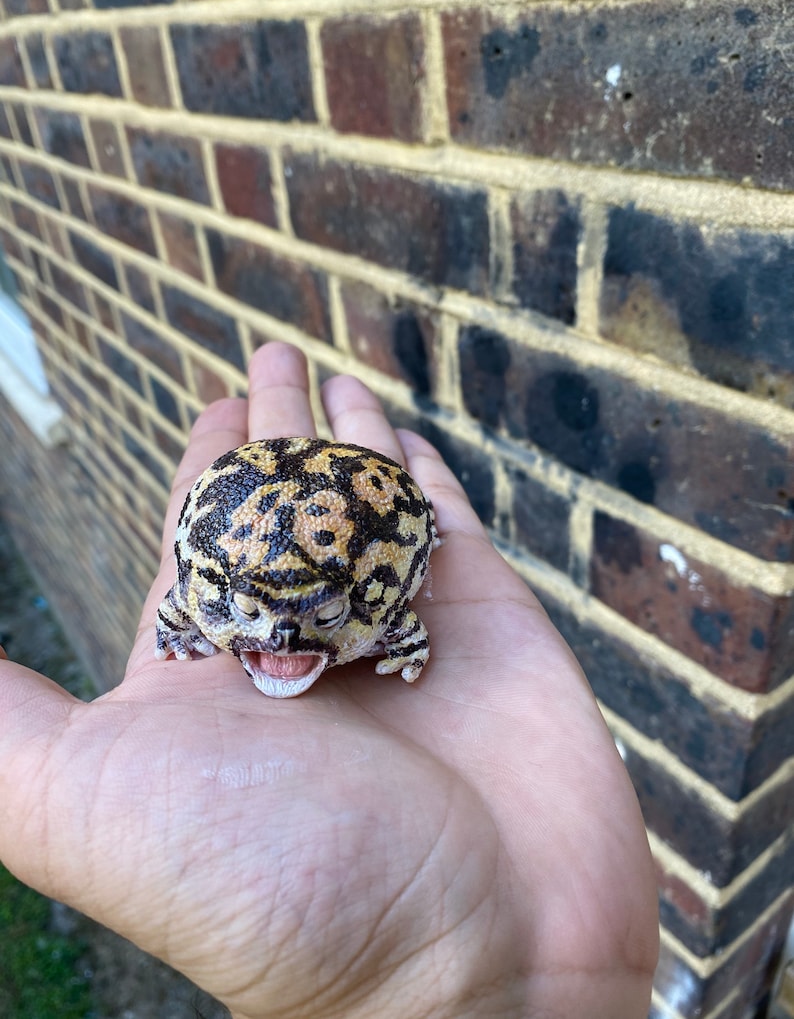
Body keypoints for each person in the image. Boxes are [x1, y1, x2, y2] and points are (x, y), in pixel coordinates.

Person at [0, 342, 659, 1018]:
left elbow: (402, 610)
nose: (283, 639)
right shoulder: (213, 598)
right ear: (232, 602)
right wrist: (191, 623)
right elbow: (186, 591)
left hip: (356, 532)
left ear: (355, 609)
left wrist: (385, 631)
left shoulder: (378, 614)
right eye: (258, 616)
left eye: (317, 620)